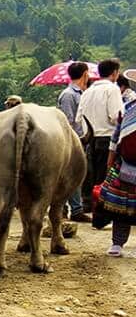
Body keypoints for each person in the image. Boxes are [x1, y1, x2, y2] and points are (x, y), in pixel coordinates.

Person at [77, 58, 125, 211]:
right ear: (115, 73)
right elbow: (116, 116)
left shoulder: (87, 91)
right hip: (107, 137)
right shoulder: (112, 89)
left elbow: (79, 118)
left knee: (89, 173)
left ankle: (87, 204)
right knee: (105, 175)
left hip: (89, 138)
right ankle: (102, 208)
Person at [102, 70, 136, 256]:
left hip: (125, 164)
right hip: (128, 163)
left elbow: (115, 139)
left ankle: (117, 244)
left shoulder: (127, 108)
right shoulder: (127, 107)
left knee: (122, 206)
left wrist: (110, 161)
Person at [57, 61, 90, 221]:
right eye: (87, 73)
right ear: (84, 74)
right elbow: (68, 121)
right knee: (68, 175)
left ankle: (74, 208)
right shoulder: (69, 95)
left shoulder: (81, 93)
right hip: (72, 140)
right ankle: (71, 209)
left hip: (79, 140)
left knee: (75, 175)